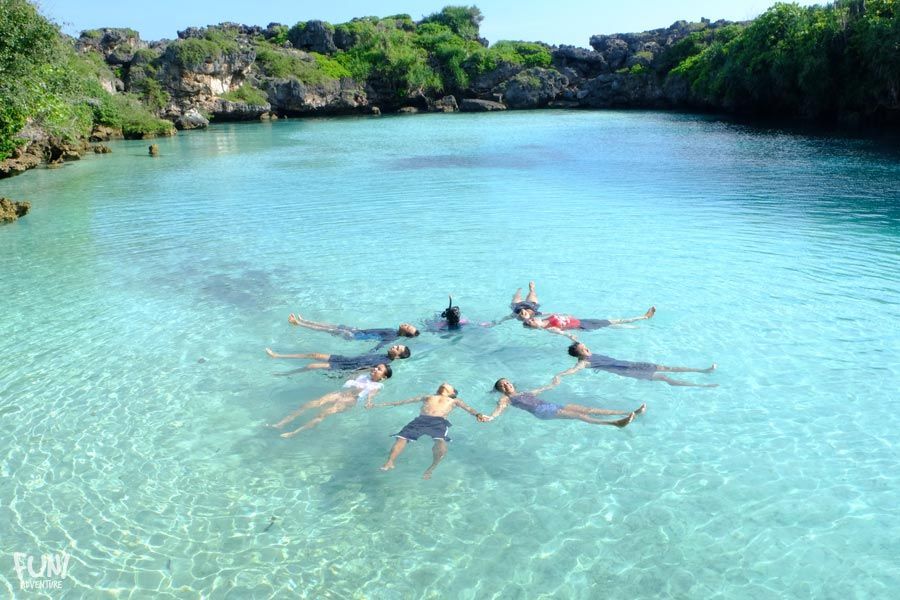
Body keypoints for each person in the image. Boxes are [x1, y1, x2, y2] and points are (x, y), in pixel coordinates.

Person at [371, 383, 487, 479]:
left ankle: (431, 468)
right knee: (401, 438)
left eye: (449, 386)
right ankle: (390, 461)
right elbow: (404, 401)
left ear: (452, 393)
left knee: (440, 441)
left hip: (438, 422)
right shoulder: (428, 397)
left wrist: (478, 414)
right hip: (420, 420)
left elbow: (467, 408)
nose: (444, 384)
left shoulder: (454, 400)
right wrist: (379, 405)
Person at [269, 364, 392, 438]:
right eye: (376, 367)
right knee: (308, 405)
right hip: (340, 394)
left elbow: (371, 395)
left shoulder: (377, 386)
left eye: (379, 369)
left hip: (349, 401)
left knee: (322, 414)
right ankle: (281, 424)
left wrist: (369, 402)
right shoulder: (364, 375)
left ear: (384, 377)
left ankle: (294, 433)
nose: (375, 369)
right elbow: (351, 377)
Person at [488, 377, 644, 427]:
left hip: (550, 405)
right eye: (503, 385)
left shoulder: (524, 392)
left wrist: (553, 383)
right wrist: (491, 417)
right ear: (501, 389)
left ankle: (629, 412)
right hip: (542, 412)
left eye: (507, 382)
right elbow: (499, 409)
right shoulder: (506, 399)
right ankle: (615, 423)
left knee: (587, 409)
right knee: (578, 415)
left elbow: (542, 389)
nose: (506, 385)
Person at [561, 342, 718, 387]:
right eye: (583, 348)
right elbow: (575, 369)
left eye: (585, 346)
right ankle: (699, 385)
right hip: (627, 371)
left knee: (665, 367)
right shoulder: (584, 362)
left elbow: (575, 341)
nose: (587, 348)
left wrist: (570, 336)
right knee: (663, 377)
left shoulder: (589, 353)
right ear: (580, 354)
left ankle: (702, 371)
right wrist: (560, 376)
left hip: (631, 364)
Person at [287, 313, 419, 348]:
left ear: (404, 333)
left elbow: (380, 345)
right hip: (359, 331)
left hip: (354, 336)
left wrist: (371, 351)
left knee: (328, 330)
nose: (407, 324)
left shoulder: (392, 337)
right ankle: (305, 320)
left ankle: (298, 324)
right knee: (332, 325)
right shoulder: (392, 330)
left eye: (408, 327)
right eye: (409, 324)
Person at [267, 344, 411, 376]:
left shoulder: (386, 363)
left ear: (398, 356)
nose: (394, 346)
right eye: (397, 345)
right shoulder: (384, 355)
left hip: (346, 366)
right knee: (314, 353)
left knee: (312, 365)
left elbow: (368, 369)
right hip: (346, 359)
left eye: (397, 348)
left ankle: (286, 373)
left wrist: (350, 375)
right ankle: (278, 356)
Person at [523, 307, 656, 339]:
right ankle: (643, 320)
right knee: (612, 324)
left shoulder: (543, 318)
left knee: (612, 323)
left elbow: (554, 313)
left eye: (530, 319)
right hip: (582, 326)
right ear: (534, 327)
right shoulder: (548, 328)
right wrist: (573, 338)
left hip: (582, 320)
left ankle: (639, 324)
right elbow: (563, 334)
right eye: (530, 322)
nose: (531, 319)